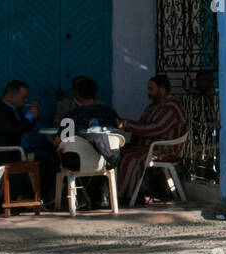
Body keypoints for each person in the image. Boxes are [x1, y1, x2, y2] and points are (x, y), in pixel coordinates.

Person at [117, 74, 187, 203]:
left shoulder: (172, 107)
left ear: (162, 89)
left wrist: (128, 125)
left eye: (151, 89)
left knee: (131, 159)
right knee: (118, 153)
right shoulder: (154, 106)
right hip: (149, 146)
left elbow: (155, 129)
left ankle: (125, 196)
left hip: (165, 149)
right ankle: (133, 192)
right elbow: (143, 123)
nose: (148, 93)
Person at [56, 78, 122, 209]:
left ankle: (74, 196)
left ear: (77, 95)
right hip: (105, 160)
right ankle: (102, 195)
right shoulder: (109, 112)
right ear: (95, 93)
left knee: (57, 156)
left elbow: (59, 141)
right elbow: (119, 129)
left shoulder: (70, 116)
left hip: (77, 163)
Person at [0, 79, 53, 197]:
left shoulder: (13, 109)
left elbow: (25, 127)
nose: (25, 101)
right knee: (49, 159)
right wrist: (29, 115)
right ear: (10, 96)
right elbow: (15, 131)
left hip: (16, 149)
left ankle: (36, 195)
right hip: (6, 153)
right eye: (23, 97)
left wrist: (33, 116)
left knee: (51, 154)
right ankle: (37, 195)